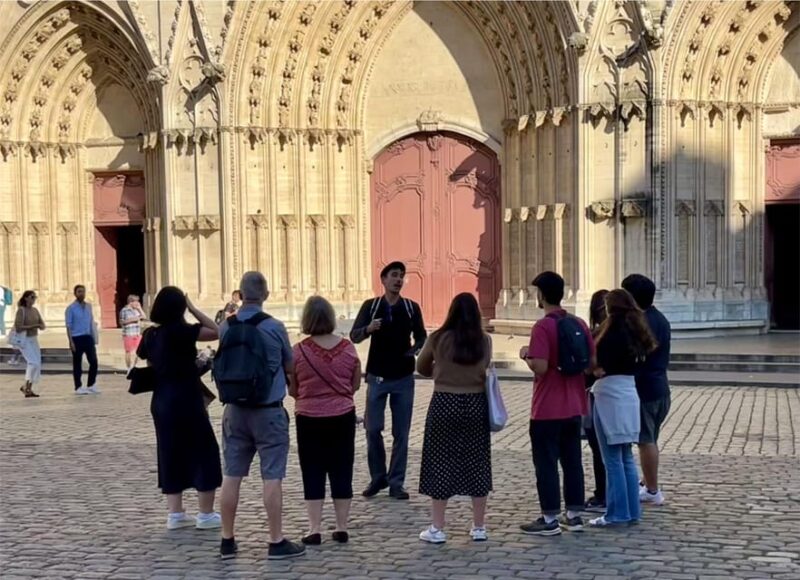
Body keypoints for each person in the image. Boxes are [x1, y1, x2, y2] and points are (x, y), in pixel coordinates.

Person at [218, 272, 306, 561]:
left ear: (240, 294)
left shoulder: (225, 326)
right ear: (266, 294)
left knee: (231, 476)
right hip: (268, 412)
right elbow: (291, 366)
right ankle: (275, 539)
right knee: (272, 477)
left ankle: (227, 539)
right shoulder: (274, 326)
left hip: (234, 411)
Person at [136, 286, 223, 531]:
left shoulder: (150, 335)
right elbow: (216, 331)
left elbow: (150, 361)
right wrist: (195, 309)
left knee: (169, 451)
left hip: (162, 399)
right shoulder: (183, 332)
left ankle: (175, 514)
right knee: (203, 451)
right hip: (186, 397)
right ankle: (205, 514)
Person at [518, 271, 594, 536]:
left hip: (547, 407)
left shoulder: (542, 327)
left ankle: (549, 517)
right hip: (575, 405)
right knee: (573, 461)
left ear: (541, 295)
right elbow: (590, 364)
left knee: (547, 464)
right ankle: (573, 515)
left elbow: (539, 366)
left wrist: (526, 355)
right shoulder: (579, 323)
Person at [416, 293, 493, 544]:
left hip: (444, 402)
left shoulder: (437, 338)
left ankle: (438, 527)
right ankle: (479, 526)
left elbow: (421, 367)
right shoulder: (485, 340)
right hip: (475, 403)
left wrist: (439, 370)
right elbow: (485, 365)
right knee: (477, 462)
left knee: (439, 461)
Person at [350, 261, 427, 500]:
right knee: (372, 429)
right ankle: (378, 477)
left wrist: (415, 350)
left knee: (401, 432)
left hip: (403, 377)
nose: (398, 279)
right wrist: (368, 329)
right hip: (377, 377)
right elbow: (354, 336)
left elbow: (422, 335)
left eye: (401, 276)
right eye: (394, 275)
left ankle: (396, 482)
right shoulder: (371, 307)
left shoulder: (411, 307)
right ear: (383, 280)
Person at [291, 296, 361, 546]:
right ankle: (342, 527)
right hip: (342, 416)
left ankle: (314, 528)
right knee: (342, 468)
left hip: (309, 418)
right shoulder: (349, 348)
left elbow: (293, 389)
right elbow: (355, 384)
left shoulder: (298, 351)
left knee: (313, 471)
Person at [589, 289, 657, 527]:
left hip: (609, 394)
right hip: (629, 392)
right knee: (626, 456)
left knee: (612, 459)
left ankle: (616, 513)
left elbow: (597, 363)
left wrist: (593, 369)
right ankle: (632, 511)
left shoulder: (610, 333)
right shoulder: (637, 331)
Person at [622, 274, 672, 506]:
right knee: (649, 438)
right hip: (660, 387)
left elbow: (636, 357)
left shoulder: (643, 322)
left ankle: (652, 490)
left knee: (645, 440)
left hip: (646, 390)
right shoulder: (660, 319)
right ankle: (647, 482)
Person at [584, 289, 609, 513]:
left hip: (597, 397)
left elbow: (589, 370)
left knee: (599, 448)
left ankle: (603, 494)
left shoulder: (597, 336)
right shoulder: (626, 333)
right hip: (618, 398)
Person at [65, 285, 99, 394]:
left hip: (88, 337)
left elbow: (91, 322)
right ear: (75, 293)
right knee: (77, 363)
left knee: (93, 361)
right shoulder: (70, 308)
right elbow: (68, 326)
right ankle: (78, 386)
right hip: (76, 338)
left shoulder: (89, 306)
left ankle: (91, 384)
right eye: (79, 292)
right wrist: (71, 341)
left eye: (83, 292)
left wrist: (94, 336)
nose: (82, 294)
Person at [14, 290, 44, 398]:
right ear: (26, 298)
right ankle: (25, 386)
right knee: (33, 362)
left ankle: (28, 389)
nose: (33, 299)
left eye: (35, 297)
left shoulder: (35, 310)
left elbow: (42, 323)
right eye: (32, 297)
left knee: (37, 363)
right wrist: (33, 326)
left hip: (34, 339)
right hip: (24, 340)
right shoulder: (21, 311)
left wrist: (41, 326)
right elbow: (18, 327)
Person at [120, 294, 146, 370]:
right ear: (130, 302)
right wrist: (133, 319)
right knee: (128, 352)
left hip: (137, 333)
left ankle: (134, 366)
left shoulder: (136, 310)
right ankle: (129, 368)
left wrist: (140, 308)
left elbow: (144, 317)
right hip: (128, 334)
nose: (137, 303)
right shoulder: (124, 310)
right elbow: (121, 322)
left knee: (138, 352)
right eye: (136, 302)